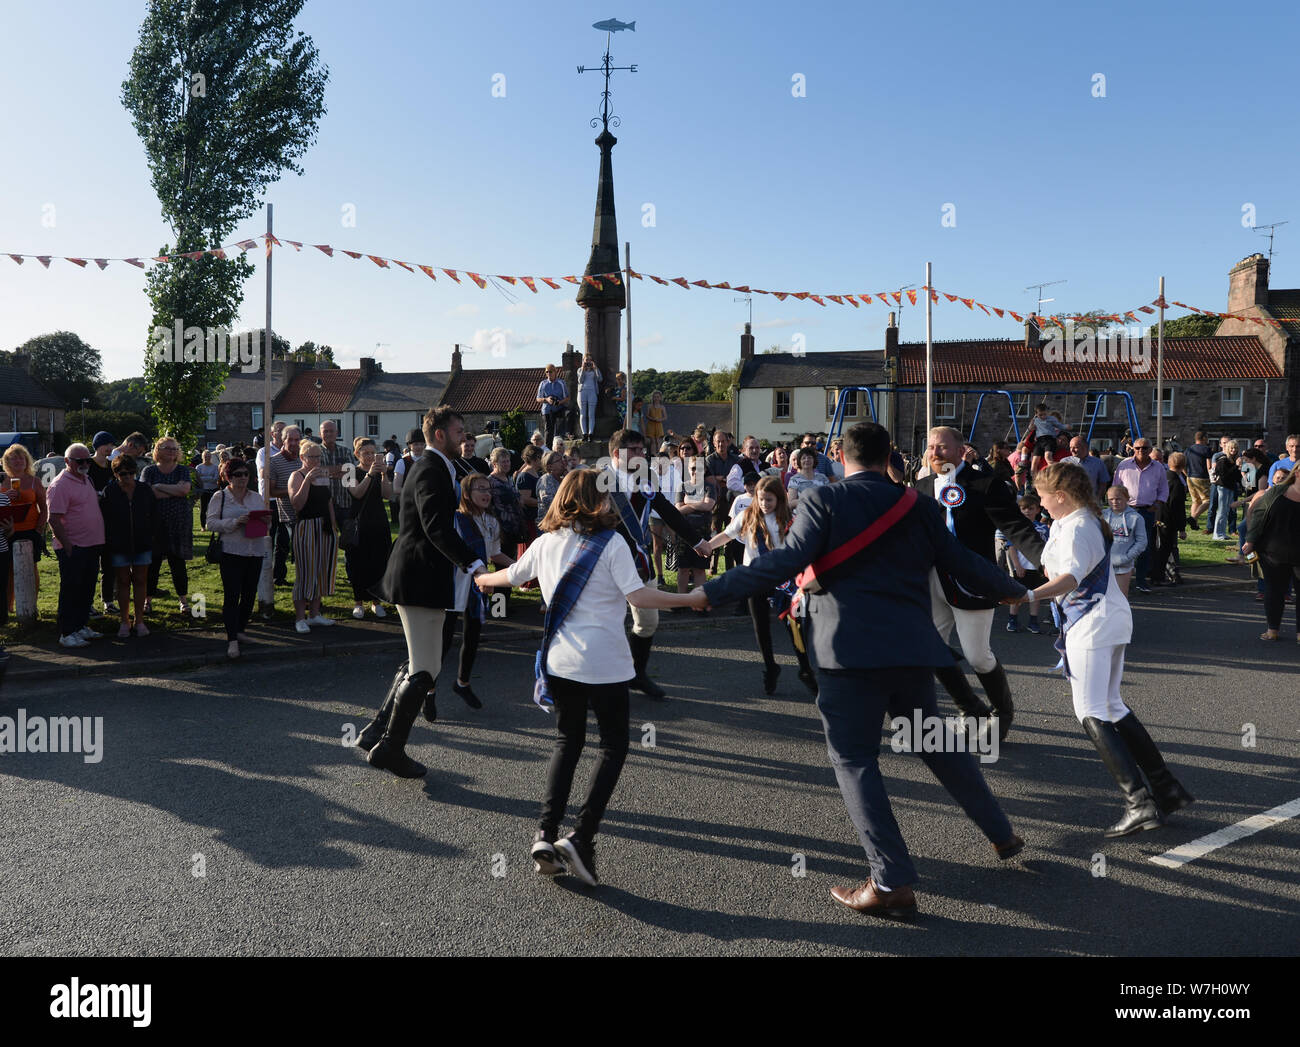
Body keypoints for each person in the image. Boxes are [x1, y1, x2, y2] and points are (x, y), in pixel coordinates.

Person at [697, 422, 1027, 917]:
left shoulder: (823, 501)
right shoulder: (916, 503)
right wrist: (1023, 591)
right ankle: (1000, 833)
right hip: (913, 647)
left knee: (855, 761)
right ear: (888, 455)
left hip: (847, 652)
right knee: (933, 742)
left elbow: (786, 561)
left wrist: (711, 591)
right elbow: (959, 559)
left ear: (841, 455)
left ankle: (891, 882)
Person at [474, 469, 699, 886]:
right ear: (596, 501)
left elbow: (511, 576)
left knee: (568, 741)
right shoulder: (612, 543)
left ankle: (546, 832)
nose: (612, 502)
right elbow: (639, 596)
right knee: (613, 746)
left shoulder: (545, 542)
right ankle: (583, 837)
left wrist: (482, 579)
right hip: (606, 663)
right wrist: (689, 598)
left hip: (559, 663)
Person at [1028, 462, 1193, 836]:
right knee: (1111, 706)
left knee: (1089, 711)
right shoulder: (1072, 521)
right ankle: (1166, 789)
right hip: (1102, 618)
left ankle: (1140, 803)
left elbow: (1069, 577)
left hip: (1092, 621)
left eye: (1041, 496)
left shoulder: (1079, 525)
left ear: (1060, 496)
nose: (1039, 503)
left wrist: (1027, 595)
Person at [355, 407, 487, 778]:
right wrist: (472, 563)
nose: (464, 435)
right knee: (426, 669)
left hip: (419, 576)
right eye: (459, 430)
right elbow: (434, 527)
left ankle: (377, 731)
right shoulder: (430, 468)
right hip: (419, 578)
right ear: (441, 434)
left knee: (420, 663)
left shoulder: (435, 465)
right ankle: (390, 750)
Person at [914, 426, 1045, 741]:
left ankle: (1002, 713)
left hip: (971, 582)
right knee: (926, 648)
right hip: (930, 580)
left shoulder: (987, 485)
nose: (935, 453)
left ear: (961, 451)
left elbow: (1015, 526)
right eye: (931, 447)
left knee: (977, 655)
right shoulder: (920, 487)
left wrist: (1046, 560)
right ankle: (969, 709)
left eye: (942, 447)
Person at [605, 429, 713, 698]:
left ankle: (637, 675)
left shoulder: (645, 479)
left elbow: (666, 510)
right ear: (617, 454)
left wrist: (697, 542)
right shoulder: (597, 481)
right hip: (604, 567)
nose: (643, 455)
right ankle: (603, 686)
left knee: (648, 623)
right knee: (605, 627)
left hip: (638, 564)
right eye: (636, 450)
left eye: (644, 450)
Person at [702, 475, 816, 696]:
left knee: (794, 625)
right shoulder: (747, 516)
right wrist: (707, 546)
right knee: (760, 625)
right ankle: (770, 666)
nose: (764, 504)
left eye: (769, 500)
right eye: (761, 499)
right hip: (754, 577)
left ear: (779, 499)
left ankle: (805, 668)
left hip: (782, 579)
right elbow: (727, 534)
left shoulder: (787, 519)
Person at [442, 473, 516, 708]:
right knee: (442, 642)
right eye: (480, 489)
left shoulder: (492, 521)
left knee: (472, 639)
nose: (486, 493)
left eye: (488, 489)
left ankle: (462, 683)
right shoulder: (454, 520)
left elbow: (494, 554)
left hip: (477, 588)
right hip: (453, 586)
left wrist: (518, 568)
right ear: (466, 494)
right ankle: (429, 689)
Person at [205, 457, 269, 658]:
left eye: (245, 474)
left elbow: (266, 524)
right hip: (231, 551)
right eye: (237, 475)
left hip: (255, 550)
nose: (242, 478)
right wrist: (234, 522)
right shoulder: (220, 497)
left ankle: (240, 630)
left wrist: (266, 521)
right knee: (232, 595)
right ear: (227, 477)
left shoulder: (255, 497)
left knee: (249, 595)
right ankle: (232, 639)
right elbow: (211, 523)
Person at [47, 444, 107, 648]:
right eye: (78, 461)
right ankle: (67, 632)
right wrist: (68, 546)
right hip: (74, 546)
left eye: (86, 460)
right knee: (71, 590)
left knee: (86, 589)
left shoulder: (86, 479)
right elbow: (54, 519)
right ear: (67, 461)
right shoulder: (60, 485)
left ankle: (80, 626)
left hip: (91, 544)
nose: (84, 464)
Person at [99, 453, 158, 639]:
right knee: (123, 582)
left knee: (141, 580)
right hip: (118, 544)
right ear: (116, 474)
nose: (127, 477)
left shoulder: (144, 490)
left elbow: (154, 515)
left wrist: (153, 538)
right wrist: (109, 541)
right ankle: (124, 620)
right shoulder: (110, 491)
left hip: (142, 542)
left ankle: (139, 620)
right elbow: (105, 518)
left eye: (131, 473)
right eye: (123, 473)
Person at [1243, 462, 1300, 642]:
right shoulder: (1277, 492)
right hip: (1273, 553)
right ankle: (1272, 629)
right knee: (1274, 591)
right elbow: (1259, 515)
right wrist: (1250, 541)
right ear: (1297, 472)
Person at [287, 440, 338, 633]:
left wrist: (334, 527)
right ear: (302, 457)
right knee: (306, 572)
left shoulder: (323, 475)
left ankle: (315, 614)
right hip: (306, 526)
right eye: (312, 457)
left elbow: (328, 502)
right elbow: (297, 503)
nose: (316, 460)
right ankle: (300, 617)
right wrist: (307, 480)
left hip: (324, 526)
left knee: (321, 571)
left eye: (318, 456)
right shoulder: (297, 476)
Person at [140, 437, 195, 615]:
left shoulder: (182, 470)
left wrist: (159, 487)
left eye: (174, 448)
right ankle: (147, 601)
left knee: (177, 564)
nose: (172, 451)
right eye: (167, 448)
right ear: (158, 450)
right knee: (153, 564)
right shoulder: (149, 470)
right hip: (154, 525)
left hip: (178, 523)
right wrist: (173, 490)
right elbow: (146, 494)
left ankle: (183, 601)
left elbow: (184, 490)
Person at [345, 438, 394, 620]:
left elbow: (388, 495)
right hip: (358, 522)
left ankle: (376, 601)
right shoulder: (349, 470)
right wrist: (370, 474)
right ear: (357, 454)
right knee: (358, 563)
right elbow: (356, 493)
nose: (370, 456)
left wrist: (383, 475)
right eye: (366, 453)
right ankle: (358, 602)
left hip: (378, 521)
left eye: (373, 453)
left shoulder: (380, 470)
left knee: (379, 561)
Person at [1112, 437, 1167, 594]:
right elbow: (1116, 486)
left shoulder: (1158, 467)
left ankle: (1141, 581)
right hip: (1126, 510)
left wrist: (1157, 504)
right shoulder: (1123, 465)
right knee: (1121, 546)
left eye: (1144, 448)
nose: (1140, 451)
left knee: (1144, 547)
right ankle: (1120, 581)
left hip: (1147, 511)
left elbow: (1164, 489)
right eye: (1137, 448)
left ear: (1150, 450)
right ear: (1132, 449)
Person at [3, 444, 48, 615]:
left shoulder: (34, 481)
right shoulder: (2, 481)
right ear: (6, 461)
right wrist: (4, 497)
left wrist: (38, 529)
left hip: (30, 530)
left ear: (27, 460)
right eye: (13, 458)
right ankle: (9, 605)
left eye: (21, 457)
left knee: (31, 568)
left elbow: (44, 508)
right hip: (6, 531)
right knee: (8, 570)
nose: (18, 461)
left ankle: (31, 605)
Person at [1001, 494, 1051, 633]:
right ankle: (1012, 619)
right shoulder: (1017, 527)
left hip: (1037, 567)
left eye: (1031, 508)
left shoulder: (1043, 528)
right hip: (1022, 568)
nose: (1027, 511)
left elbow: (1047, 547)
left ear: (1037, 510)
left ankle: (1033, 621)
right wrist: (1017, 566)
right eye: (1024, 509)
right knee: (1017, 594)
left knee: (1036, 594)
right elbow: (1012, 547)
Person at [674, 449, 715, 603]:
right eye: (692, 468)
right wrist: (699, 504)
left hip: (702, 534)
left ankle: (699, 602)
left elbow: (708, 506)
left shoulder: (709, 488)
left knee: (699, 570)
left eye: (699, 468)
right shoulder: (682, 487)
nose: (695, 471)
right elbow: (678, 509)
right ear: (688, 469)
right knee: (683, 569)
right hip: (683, 534)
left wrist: (689, 502)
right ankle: (680, 602)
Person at [87, 431, 119, 615]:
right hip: (90, 519)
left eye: (111, 444)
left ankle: (108, 601)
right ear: (97, 445)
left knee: (109, 565)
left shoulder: (111, 466)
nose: (109, 448)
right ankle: (88, 603)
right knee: (90, 565)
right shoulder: (88, 465)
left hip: (109, 520)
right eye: (106, 444)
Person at [1101, 487, 1146, 599]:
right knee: (1101, 599)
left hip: (1123, 567)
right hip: (1102, 566)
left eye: (1118, 499)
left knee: (1119, 599)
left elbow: (1142, 542)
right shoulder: (1102, 516)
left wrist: (1126, 558)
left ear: (1127, 498)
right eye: (1111, 499)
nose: (1115, 502)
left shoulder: (1136, 518)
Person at [1151, 451, 1188, 585]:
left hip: (1157, 515)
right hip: (1168, 519)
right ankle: (1158, 577)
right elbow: (1178, 507)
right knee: (1165, 549)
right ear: (1183, 465)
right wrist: (1181, 528)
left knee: (1157, 547)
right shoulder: (1177, 483)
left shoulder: (1164, 477)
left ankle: (1157, 574)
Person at [487, 447, 526, 560]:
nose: (507, 464)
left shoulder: (508, 478)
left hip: (514, 529)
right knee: (503, 566)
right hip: (500, 531)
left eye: (508, 461)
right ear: (494, 464)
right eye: (503, 461)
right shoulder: (490, 482)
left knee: (513, 561)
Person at [1208, 439, 1242, 542]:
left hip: (1230, 487)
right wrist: (1236, 466)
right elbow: (1224, 475)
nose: (1233, 450)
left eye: (1235, 448)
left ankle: (1222, 533)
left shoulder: (1233, 460)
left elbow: (1236, 477)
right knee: (1221, 511)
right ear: (1227, 448)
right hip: (1222, 487)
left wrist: (1239, 467)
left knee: (1226, 511)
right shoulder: (1222, 460)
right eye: (1231, 448)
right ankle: (1217, 534)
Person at [514, 444, 544, 554]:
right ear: (535, 458)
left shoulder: (536, 473)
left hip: (536, 518)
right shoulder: (525, 476)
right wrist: (543, 503)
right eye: (541, 457)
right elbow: (525, 499)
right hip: (528, 520)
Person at [536, 363, 569, 447]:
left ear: (555, 372)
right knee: (549, 431)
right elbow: (538, 399)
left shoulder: (561, 383)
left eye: (550, 372)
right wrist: (546, 399)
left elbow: (567, 397)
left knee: (560, 427)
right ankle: (548, 450)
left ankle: (561, 444)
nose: (549, 374)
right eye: (547, 372)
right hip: (547, 409)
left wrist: (558, 402)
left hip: (559, 408)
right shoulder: (543, 384)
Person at [536, 450, 567, 520]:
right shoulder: (546, 480)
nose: (563, 462)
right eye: (559, 460)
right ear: (550, 466)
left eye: (562, 459)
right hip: (548, 524)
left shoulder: (563, 479)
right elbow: (549, 503)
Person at [577, 354, 602, 440]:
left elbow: (600, 379)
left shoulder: (595, 370)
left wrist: (595, 368)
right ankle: (584, 433)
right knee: (583, 414)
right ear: (583, 361)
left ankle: (591, 434)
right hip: (582, 392)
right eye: (586, 360)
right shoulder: (580, 370)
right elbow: (580, 380)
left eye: (589, 360)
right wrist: (583, 369)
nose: (588, 362)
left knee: (591, 414)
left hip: (592, 392)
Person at [195, 450, 221, 524]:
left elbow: (215, 479)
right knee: (203, 508)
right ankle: (203, 525)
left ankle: (212, 523)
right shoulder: (199, 467)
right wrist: (209, 477)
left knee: (213, 508)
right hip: (203, 490)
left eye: (209, 456)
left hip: (213, 489)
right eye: (205, 456)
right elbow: (198, 479)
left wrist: (204, 477)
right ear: (203, 457)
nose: (207, 458)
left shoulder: (215, 467)